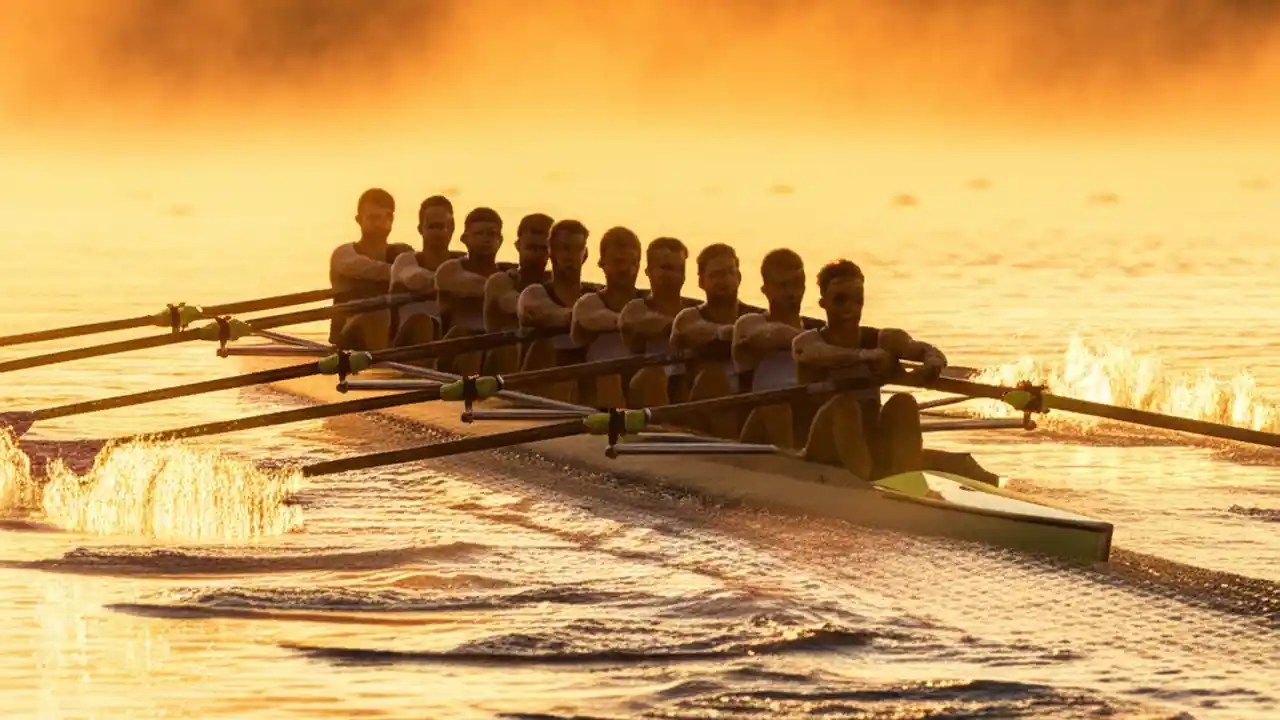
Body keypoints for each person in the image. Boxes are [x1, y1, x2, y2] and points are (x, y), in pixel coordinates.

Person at [792, 259, 946, 481]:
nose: (849, 307)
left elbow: (921, 349)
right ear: (823, 302)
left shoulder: (882, 338)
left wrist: (932, 361)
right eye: (840, 300)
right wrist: (862, 356)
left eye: (857, 300)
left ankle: (907, 482)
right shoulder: (806, 341)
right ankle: (866, 484)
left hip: (868, 439)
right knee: (845, 405)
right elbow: (817, 354)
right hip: (821, 448)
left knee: (904, 402)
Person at [669, 243, 750, 436]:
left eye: (730, 273)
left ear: (739, 278)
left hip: (745, 407)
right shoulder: (688, 318)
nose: (724, 280)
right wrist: (734, 334)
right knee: (712, 376)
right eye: (716, 275)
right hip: (696, 410)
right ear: (701, 282)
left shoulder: (754, 318)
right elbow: (695, 331)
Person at [734, 249, 808, 447]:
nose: (793, 293)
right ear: (765, 289)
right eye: (783, 286)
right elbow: (767, 337)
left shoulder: (814, 332)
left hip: (806, 413)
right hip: (762, 420)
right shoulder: (749, 322)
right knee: (776, 403)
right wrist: (818, 344)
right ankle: (790, 464)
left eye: (798, 285)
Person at [328, 188, 414, 350]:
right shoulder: (344, 253)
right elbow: (370, 269)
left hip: (393, 337)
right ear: (358, 220)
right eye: (373, 217)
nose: (380, 223)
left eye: (386, 217)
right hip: (349, 339)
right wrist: (404, 272)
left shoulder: (403, 251)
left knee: (422, 320)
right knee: (375, 312)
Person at [569, 226, 644, 407]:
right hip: (598, 392)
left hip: (636, 388)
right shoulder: (589, 302)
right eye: (618, 262)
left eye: (633, 263)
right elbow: (592, 319)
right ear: (602, 263)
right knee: (610, 376)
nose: (626, 269)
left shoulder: (646, 303)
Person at [516, 219, 589, 401]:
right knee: (544, 347)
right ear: (551, 252)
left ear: (585, 254)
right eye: (564, 249)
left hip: (582, 387)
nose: (570, 255)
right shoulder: (534, 293)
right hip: (540, 389)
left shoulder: (593, 299)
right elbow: (537, 312)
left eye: (577, 249)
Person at [621, 237, 697, 407]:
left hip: (682, 388)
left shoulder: (693, 312)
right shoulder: (635, 308)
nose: (673, 275)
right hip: (641, 392)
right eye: (665, 268)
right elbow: (647, 324)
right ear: (648, 271)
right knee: (653, 374)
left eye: (679, 269)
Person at [433, 207, 505, 375]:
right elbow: (469, 285)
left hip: (491, 353)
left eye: (492, 234)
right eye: (479, 234)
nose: (486, 240)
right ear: (465, 239)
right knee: (466, 336)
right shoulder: (449, 270)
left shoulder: (505, 276)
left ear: (500, 240)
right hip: (453, 358)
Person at [483, 212, 553, 373]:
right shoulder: (500, 281)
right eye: (530, 248)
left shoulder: (555, 285)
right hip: (498, 372)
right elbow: (524, 308)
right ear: (517, 245)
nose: (535, 255)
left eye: (542, 249)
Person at [388, 195, 460, 348]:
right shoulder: (406, 261)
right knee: (423, 322)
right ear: (420, 229)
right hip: (406, 348)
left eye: (442, 226)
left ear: (452, 228)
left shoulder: (462, 262)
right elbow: (414, 278)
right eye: (433, 227)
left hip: (446, 344)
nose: (438, 232)